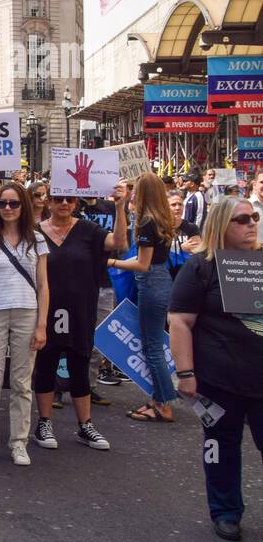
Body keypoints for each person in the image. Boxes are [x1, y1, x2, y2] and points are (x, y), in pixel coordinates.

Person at [169, 198, 263, 542]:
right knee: (221, 446)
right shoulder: (201, 267)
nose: (251, 224)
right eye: (241, 219)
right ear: (222, 224)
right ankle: (226, 512)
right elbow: (179, 320)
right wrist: (185, 373)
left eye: (253, 217)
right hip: (219, 378)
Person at [31, 184, 129, 453]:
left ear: (76, 202)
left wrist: (120, 207)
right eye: (58, 198)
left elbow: (119, 243)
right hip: (46, 311)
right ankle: (44, 422)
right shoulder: (36, 232)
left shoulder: (88, 230)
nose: (64, 203)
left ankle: (85, 425)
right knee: (46, 363)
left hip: (81, 309)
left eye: (69, 198)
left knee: (80, 363)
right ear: (48, 202)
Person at [0, 182, 49, 466]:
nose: (8, 209)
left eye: (14, 203)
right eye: (3, 203)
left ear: (23, 206)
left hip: (27, 312)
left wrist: (42, 325)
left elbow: (43, 285)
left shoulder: (36, 240)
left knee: (21, 382)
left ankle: (18, 442)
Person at [112, 172, 180, 423]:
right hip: (160, 280)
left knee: (152, 348)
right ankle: (159, 398)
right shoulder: (160, 218)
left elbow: (142, 264)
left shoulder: (147, 222)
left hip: (152, 283)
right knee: (153, 345)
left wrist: (111, 261)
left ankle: (163, 404)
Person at [166, 190, 203, 280]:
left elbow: (197, 251)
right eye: (173, 205)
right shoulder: (160, 228)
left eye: (180, 204)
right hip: (166, 275)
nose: (178, 208)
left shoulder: (191, 227)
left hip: (186, 274)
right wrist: (181, 249)